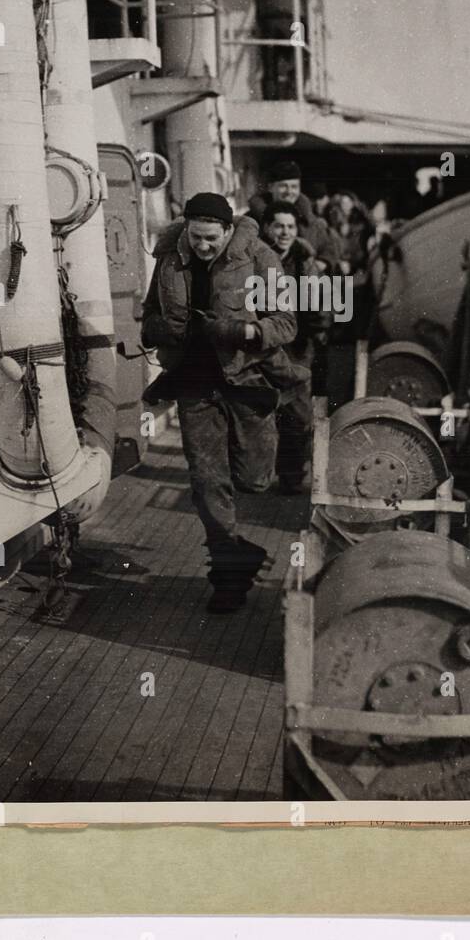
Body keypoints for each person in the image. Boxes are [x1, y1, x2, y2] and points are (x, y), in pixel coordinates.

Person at [140, 193, 300, 612]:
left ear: (228, 232)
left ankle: (240, 551)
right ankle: (228, 576)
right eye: (196, 237)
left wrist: (240, 332)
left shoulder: (261, 258)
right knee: (207, 481)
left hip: (248, 380)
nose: (203, 246)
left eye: (211, 238)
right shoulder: (170, 257)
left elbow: (286, 323)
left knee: (255, 479)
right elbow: (149, 312)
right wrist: (164, 330)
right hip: (195, 383)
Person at [260, 201, 330, 493]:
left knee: (299, 416)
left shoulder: (305, 261)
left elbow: (321, 301)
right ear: (267, 228)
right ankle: (255, 476)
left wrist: (319, 332)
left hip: (298, 348)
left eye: (290, 226)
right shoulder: (254, 258)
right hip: (261, 346)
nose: (285, 232)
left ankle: (290, 477)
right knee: (258, 414)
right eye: (279, 226)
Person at [247, 160, 341, 274]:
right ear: (271, 187)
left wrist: (323, 262)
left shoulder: (310, 219)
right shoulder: (250, 221)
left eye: (294, 186)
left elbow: (329, 246)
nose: (289, 191)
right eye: (283, 186)